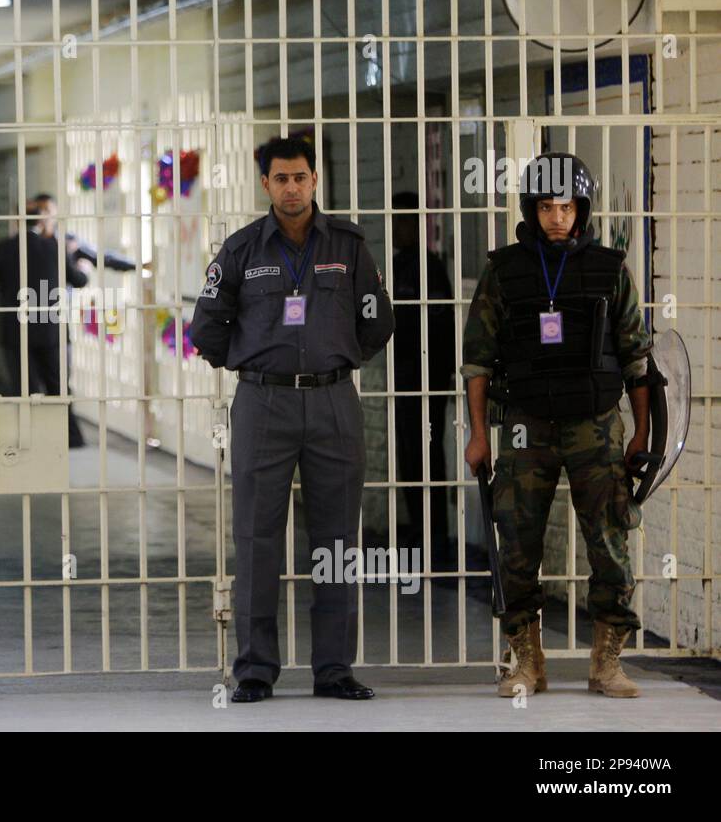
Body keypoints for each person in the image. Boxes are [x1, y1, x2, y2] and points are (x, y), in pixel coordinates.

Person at [190, 133, 394, 702]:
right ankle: (255, 669)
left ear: (314, 179)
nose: (292, 187)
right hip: (263, 404)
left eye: (300, 176)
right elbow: (204, 327)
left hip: (333, 401)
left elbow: (377, 320)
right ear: (265, 184)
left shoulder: (349, 246)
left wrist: (336, 355)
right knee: (257, 537)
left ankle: (334, 669)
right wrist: (254, 362)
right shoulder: (242, 250)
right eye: (280, 178)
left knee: (335, 541)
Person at [462, 152, 653, 699]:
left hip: (596, 424)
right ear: (531, 208)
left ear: (581, 208)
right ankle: (527, 661)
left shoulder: (611, 268)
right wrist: (478, 435)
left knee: (610, 540)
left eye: (565, 206)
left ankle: (607, 662)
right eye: (545, 206)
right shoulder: (505, 271)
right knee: (518, 542)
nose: (556, 218)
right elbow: (476, 360)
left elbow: (637, 359)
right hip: (526, 423)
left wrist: (641, 433)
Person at [0, 196, 92, 447]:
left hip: (16, 329)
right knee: (58, 386)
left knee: (24, 387)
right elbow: (78, 280)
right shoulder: (55, 248)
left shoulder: (3, 248)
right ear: (41, 220)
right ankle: (71, 437)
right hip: (50, 327)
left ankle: (31, 438)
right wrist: (85, 269)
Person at [390, 191, 456, 570]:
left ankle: (436, 539)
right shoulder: (398, 267)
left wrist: (441, 375)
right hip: (404, 376)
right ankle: (420, 533)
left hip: (429, 378)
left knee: (428, 455)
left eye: (402, 221)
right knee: (410, 456)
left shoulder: (429, 267)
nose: (397, 229)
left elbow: (442, 324)